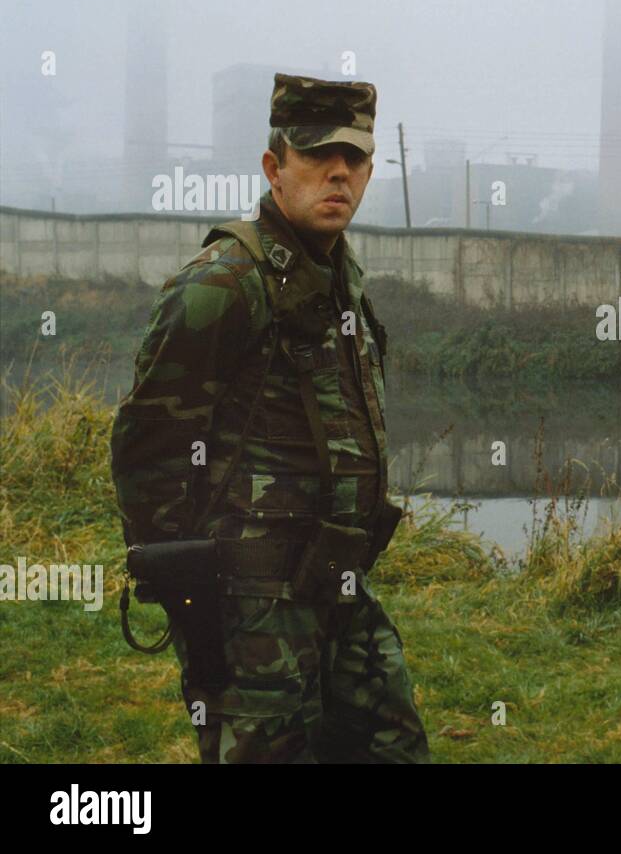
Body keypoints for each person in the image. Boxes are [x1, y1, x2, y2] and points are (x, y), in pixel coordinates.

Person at [110, 73, 429, 763]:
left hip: (338, 582)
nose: (339, 172)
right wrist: (185, 583)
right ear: (274, 167)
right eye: (317, 156)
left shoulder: (339, 273)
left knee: (393, 746)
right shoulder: (225, 281)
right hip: (252, 602)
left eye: (355, 158)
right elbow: (148, 446)